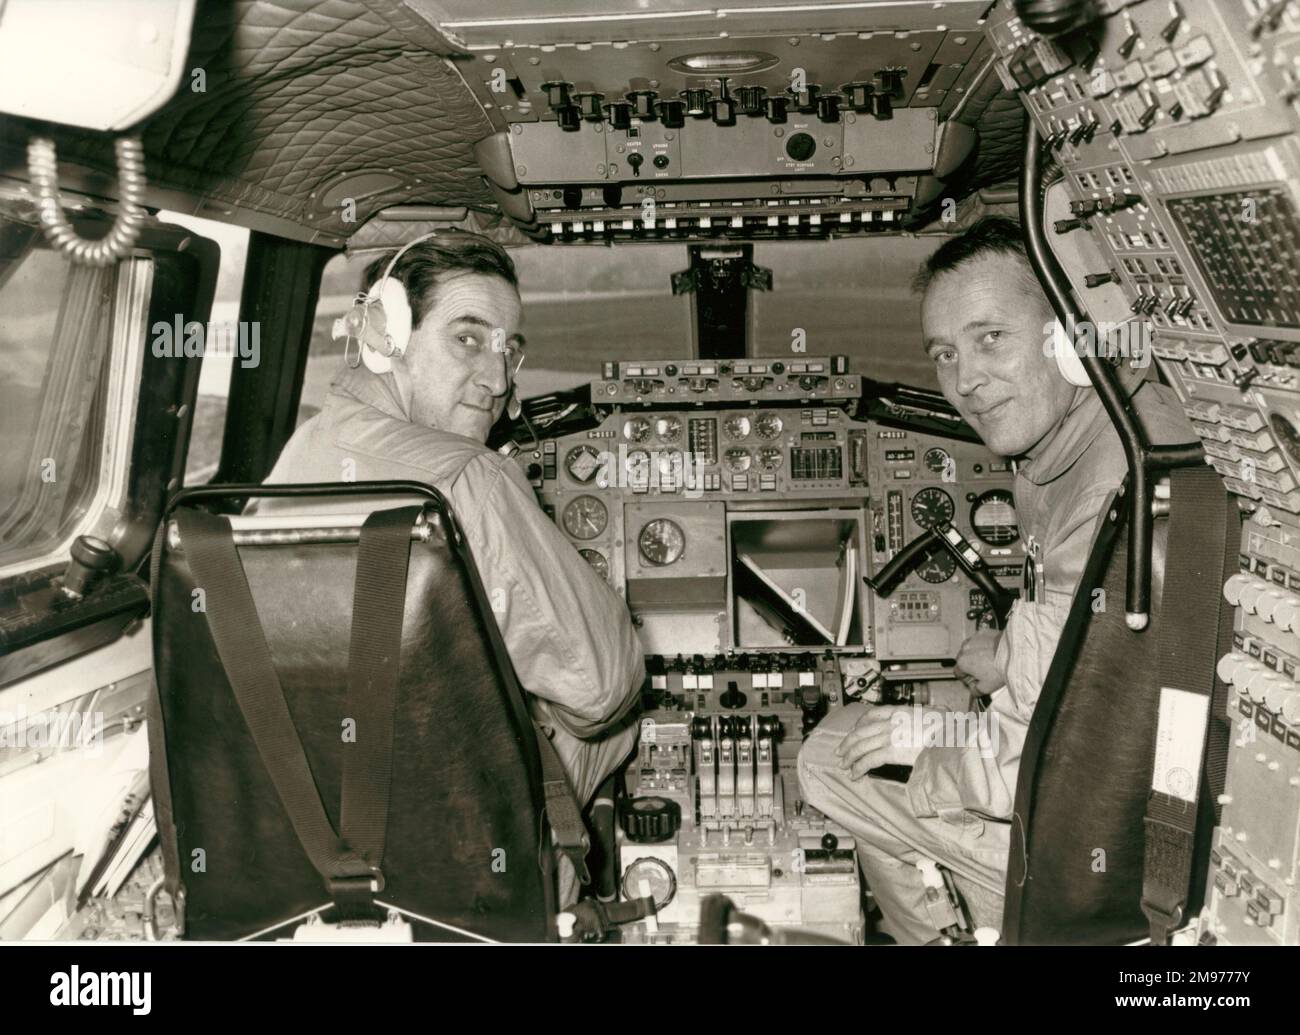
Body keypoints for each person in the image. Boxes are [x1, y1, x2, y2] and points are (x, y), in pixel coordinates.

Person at [797, 216, 1196, 943]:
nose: (964, 381)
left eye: (991, 339)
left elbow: (1037, 769)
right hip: (1128, 793)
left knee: (829, 754)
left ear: (1076, 340)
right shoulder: (1103, 438)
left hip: (1081, 841)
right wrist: (1008, 656)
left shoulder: (1110, 487)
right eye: (945, 354)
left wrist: (931, 731)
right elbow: (1092, 650)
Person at [257, 234, 644, 905]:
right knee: (617, 720)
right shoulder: (470, 479)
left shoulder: (289, 463)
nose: (499, 380)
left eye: (509, 347)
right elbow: (602, 687)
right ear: (384, 332)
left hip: (301, 833)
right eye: (469, 339)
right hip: (458, 849)